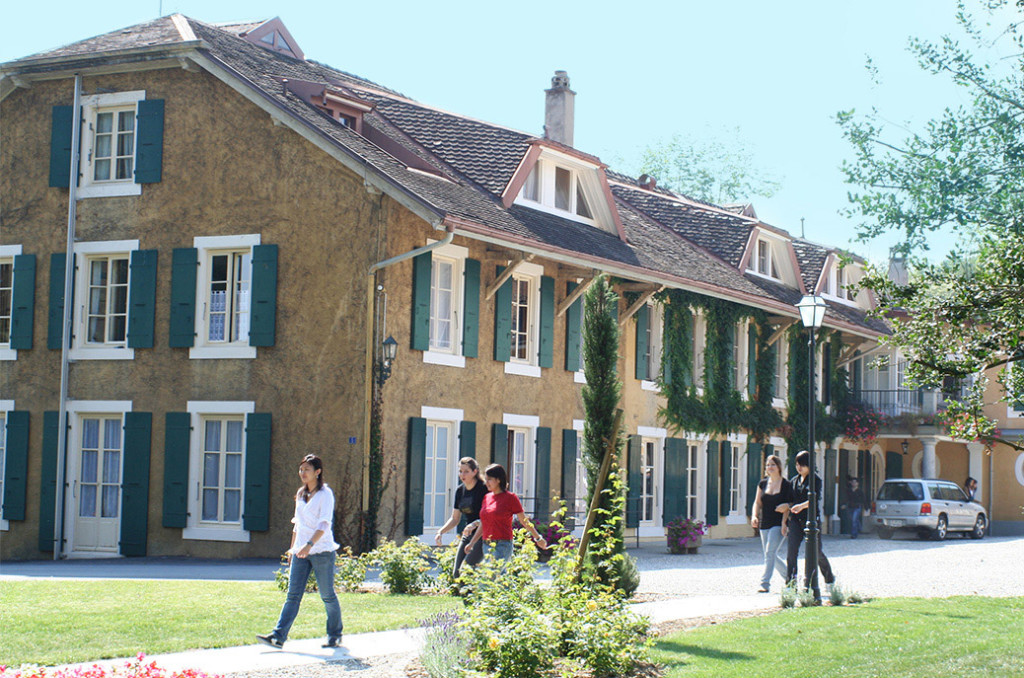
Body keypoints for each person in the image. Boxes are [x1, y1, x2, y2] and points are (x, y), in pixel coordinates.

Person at [257, 454, 343, 649]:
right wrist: (293, 548)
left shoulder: (325, 494)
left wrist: (309, 545)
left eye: (307, 469)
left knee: (327, 595)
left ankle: (335, 635)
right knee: (293, 595)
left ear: (317, 472)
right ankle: (278, 637)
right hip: (300, 552)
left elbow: (324, 523)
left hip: (321, 551)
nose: (303, 473)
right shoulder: (300, 494)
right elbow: (297, 524)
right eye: (301, 469)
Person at [464, 463, 547, 561]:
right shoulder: (487, 498)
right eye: (486, 480)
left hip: (503, 544)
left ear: (498, 480)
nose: (486, 483)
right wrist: (472, 543)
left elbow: (523, 520)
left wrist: (538, 538)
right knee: (492, 574)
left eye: (489, 479)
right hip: (486, 544)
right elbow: (484, 522)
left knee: (495, 573)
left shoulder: (510, 498)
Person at [785, 450, 836, 602]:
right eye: (797, 464)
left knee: (816, 552)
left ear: (809, 465)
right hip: (795, 521)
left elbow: (814, 498)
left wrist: (801, 506)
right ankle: (791, 584)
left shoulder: (815, 480)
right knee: (791, 552)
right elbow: (790, 500)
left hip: (811, 520)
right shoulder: (794, 481)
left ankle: (829, 579)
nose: (799, 467)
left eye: (802, 465)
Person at [435, 457, 487, 578]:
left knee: (467, 570)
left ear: (475, 472)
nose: (462, 475)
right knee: (457, 574)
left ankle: (473, 594)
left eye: (466, 471)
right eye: (460, 471)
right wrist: (440, 532)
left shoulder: (483, 489)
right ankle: (466, 594)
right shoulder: (460, 491)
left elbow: (489, 516)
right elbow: (455, 519)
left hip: (482, 536)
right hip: (468, 535)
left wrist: (475, 524)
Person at [750, 454, 791, 593]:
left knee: (770, 552)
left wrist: (785, 523)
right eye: (768, 465)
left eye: (773, 464)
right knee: (770, 554)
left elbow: (788, 505)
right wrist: (754, 516)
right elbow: (757, 502)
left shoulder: (786, 484)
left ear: (779, 466)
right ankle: (790, 577)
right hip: (765, 523)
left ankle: (764, 583)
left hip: (779, 523)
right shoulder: (762, 483)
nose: (770, 467)